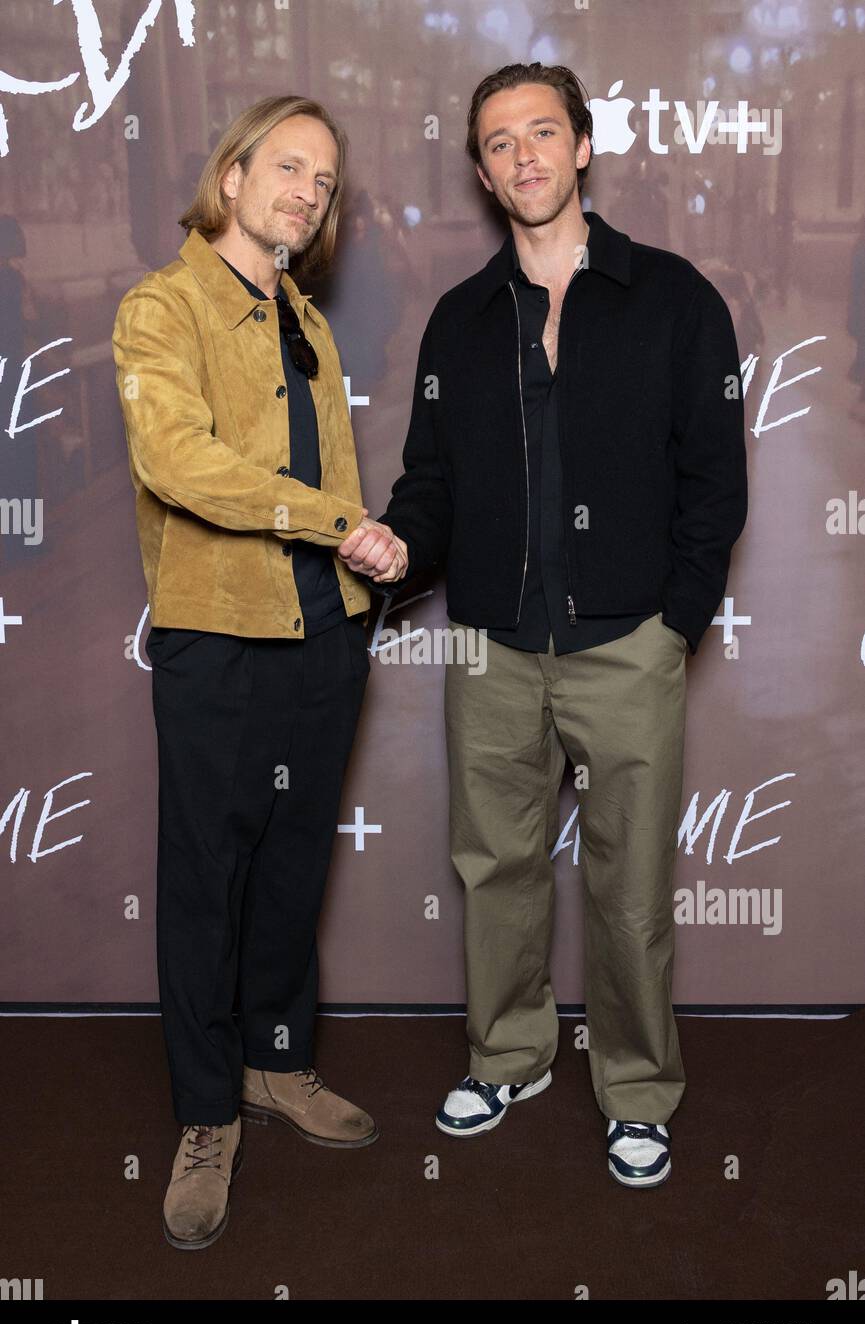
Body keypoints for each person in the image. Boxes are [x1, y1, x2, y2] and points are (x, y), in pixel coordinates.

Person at [339, 62, 748, 1189]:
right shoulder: (461, 320)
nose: (522, 156)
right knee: (497, 870)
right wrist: (397, 545)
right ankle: (509, 1054)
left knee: (627, 887)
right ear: (480, 169)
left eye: (541, 132)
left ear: (580, 147)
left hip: (628, 646)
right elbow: (429, 483)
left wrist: (674, 622)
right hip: (492, 649)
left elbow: (715, 484)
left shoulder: (673, 298)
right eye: (498, 142)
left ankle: (636, 1090)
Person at [112, 94, 406, 1249]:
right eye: (287, 167)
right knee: (203, 880)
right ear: (229, 175)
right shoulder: (160, 305)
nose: (306, 192)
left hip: (321, 635)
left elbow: (327, 478)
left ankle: (276, 1064)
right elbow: (179, 461)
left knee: (290, 869)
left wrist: (361, 554)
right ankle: (203, 1114)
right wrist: (337, 520)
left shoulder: (304, 317)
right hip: (216, 636)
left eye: (324, 182)